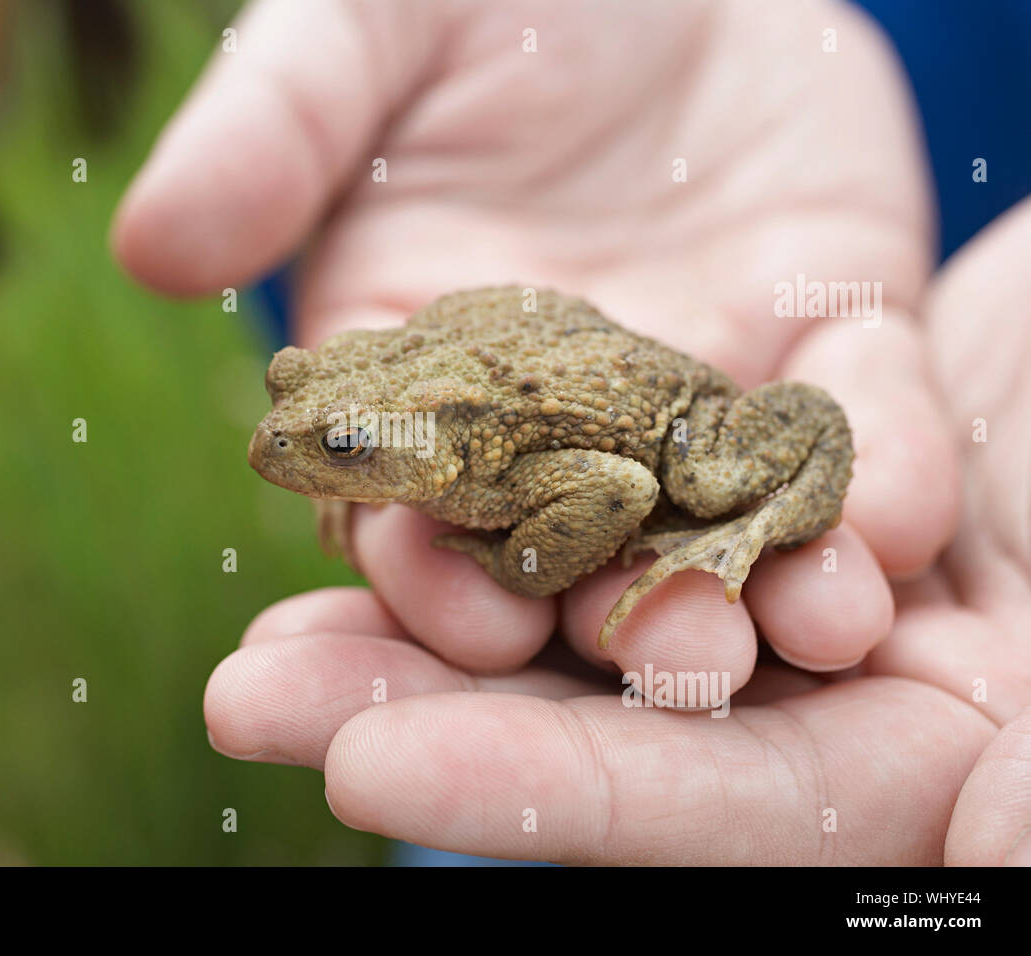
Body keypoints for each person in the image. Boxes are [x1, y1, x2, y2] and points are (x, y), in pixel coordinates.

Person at [113, 0, 1031, 864]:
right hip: (523, 360)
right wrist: (346, 468)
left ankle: (757, 519)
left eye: (343, 445)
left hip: (663, 414)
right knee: (471, 779)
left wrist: (530, 562)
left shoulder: (491, 465)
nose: (280, 443)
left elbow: (624, 486)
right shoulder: (418, 426)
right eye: (296, 398)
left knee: (704, 491)